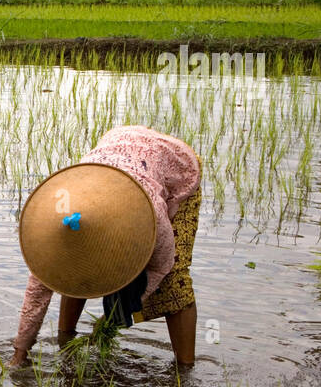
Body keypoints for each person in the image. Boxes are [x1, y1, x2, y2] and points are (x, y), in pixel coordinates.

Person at [11, 125, 201, 367]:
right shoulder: (51, 233)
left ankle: (185, 372)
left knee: (175, 281)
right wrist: (20, 353)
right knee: (68, 271)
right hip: (114, 151)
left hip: (175, 166)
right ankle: (66, 341)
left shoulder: (149, 210)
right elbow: (36, 297)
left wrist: (116, 315)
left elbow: (162, 266)